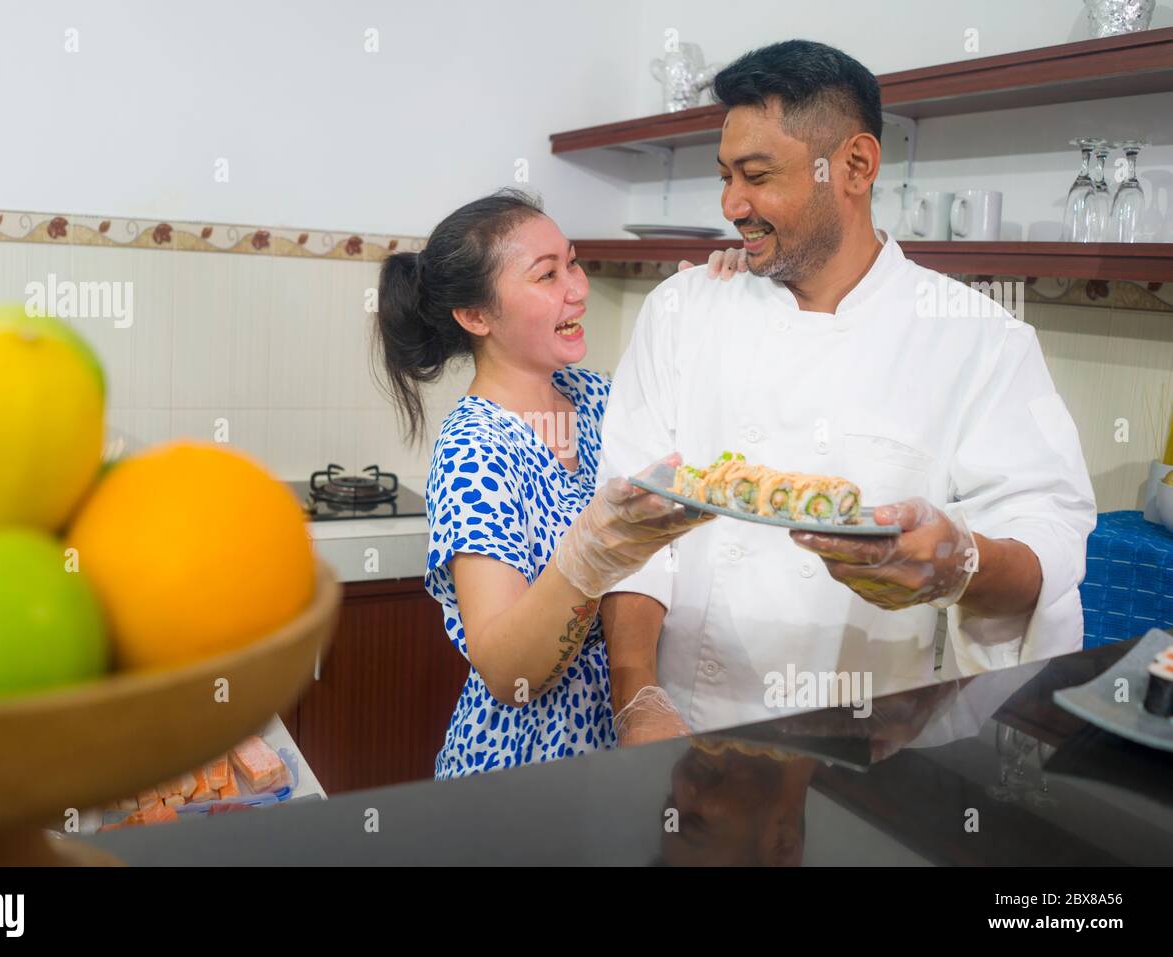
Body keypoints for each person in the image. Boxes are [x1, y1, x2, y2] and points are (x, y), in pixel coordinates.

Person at [597, 39, 1097, 743]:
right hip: (689, 732)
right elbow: (632, 530)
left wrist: (958, 564)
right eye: (724, 176)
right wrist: (638, 697)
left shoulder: (978, 339)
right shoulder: (682, 311)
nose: (731, 204)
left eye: (757, 175)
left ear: (855, 166)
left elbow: (1049, 540)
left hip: (875, 754)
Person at [374, 189, 738, 777]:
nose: (577, 287)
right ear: (476, 316)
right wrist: (588, 559)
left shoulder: (596, 395)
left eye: (572, 262)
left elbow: (698, 442)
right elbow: (507, 672)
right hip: (527, 765)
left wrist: (705, 311)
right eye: (547, 275)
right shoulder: (475, 446)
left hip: (623, 736)